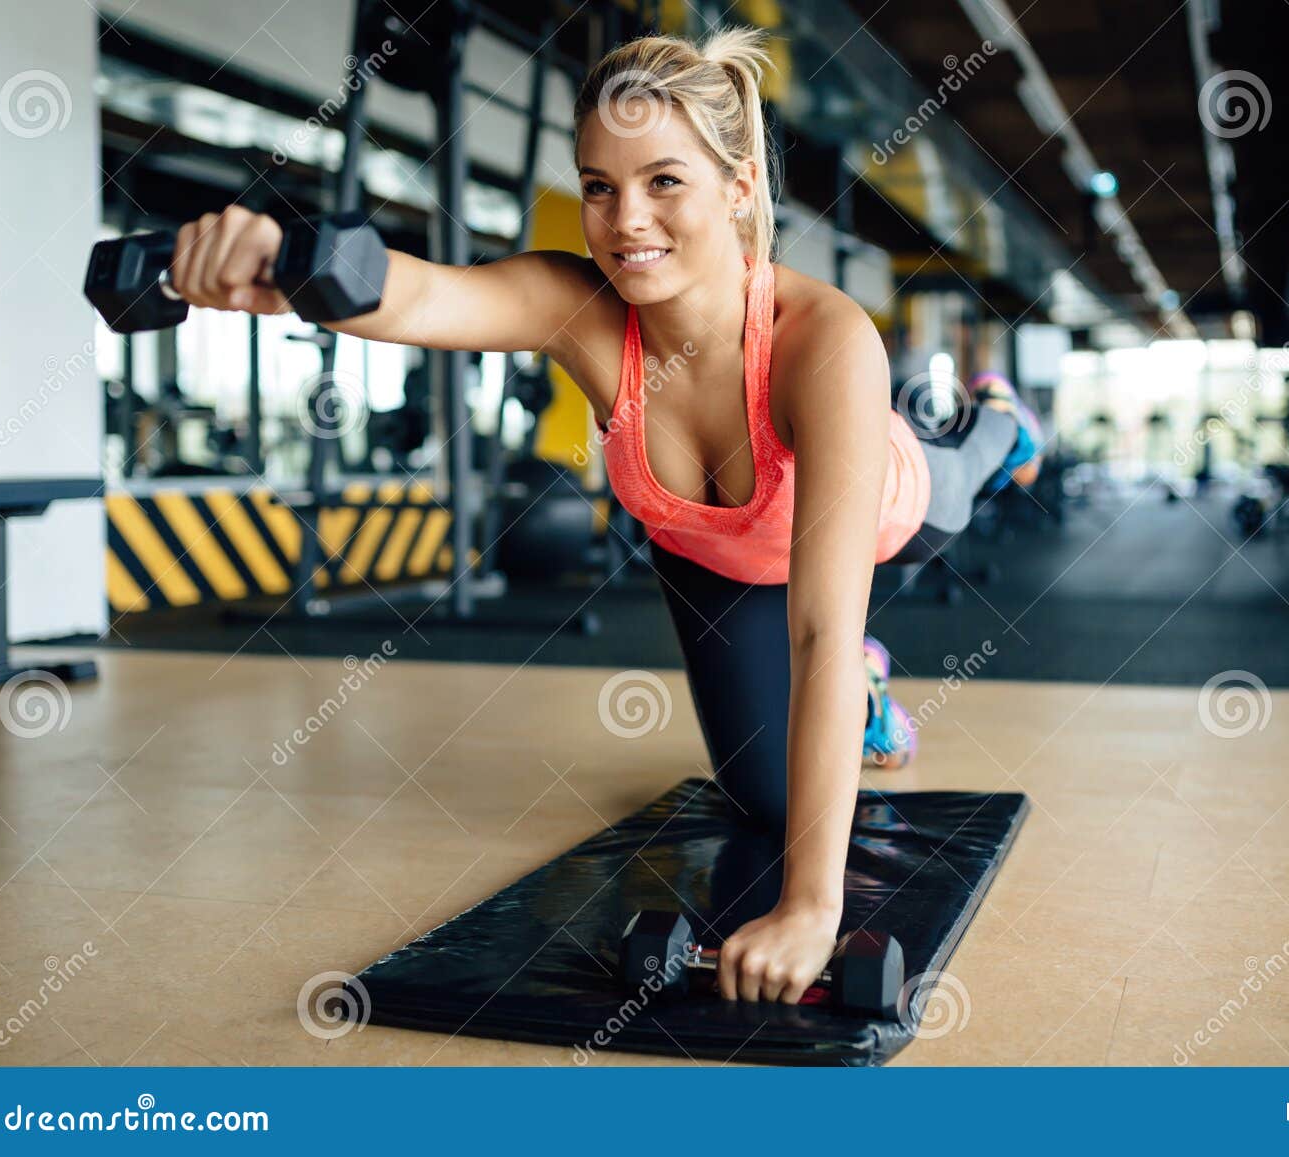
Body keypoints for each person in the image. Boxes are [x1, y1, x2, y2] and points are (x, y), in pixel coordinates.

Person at [161, 28, 1040, 1013]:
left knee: (961, 477)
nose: (625, 221)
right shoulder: (582, 310)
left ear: (738, 187)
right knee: (768, 799)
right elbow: (422, 295)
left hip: (889, 510)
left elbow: (822, 626)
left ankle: (1000, 419)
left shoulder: (822, 341)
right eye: (598, 186)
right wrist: (282, 264)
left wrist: (810, 906)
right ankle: (870, 696)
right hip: (714, 559)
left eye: (664, 181)